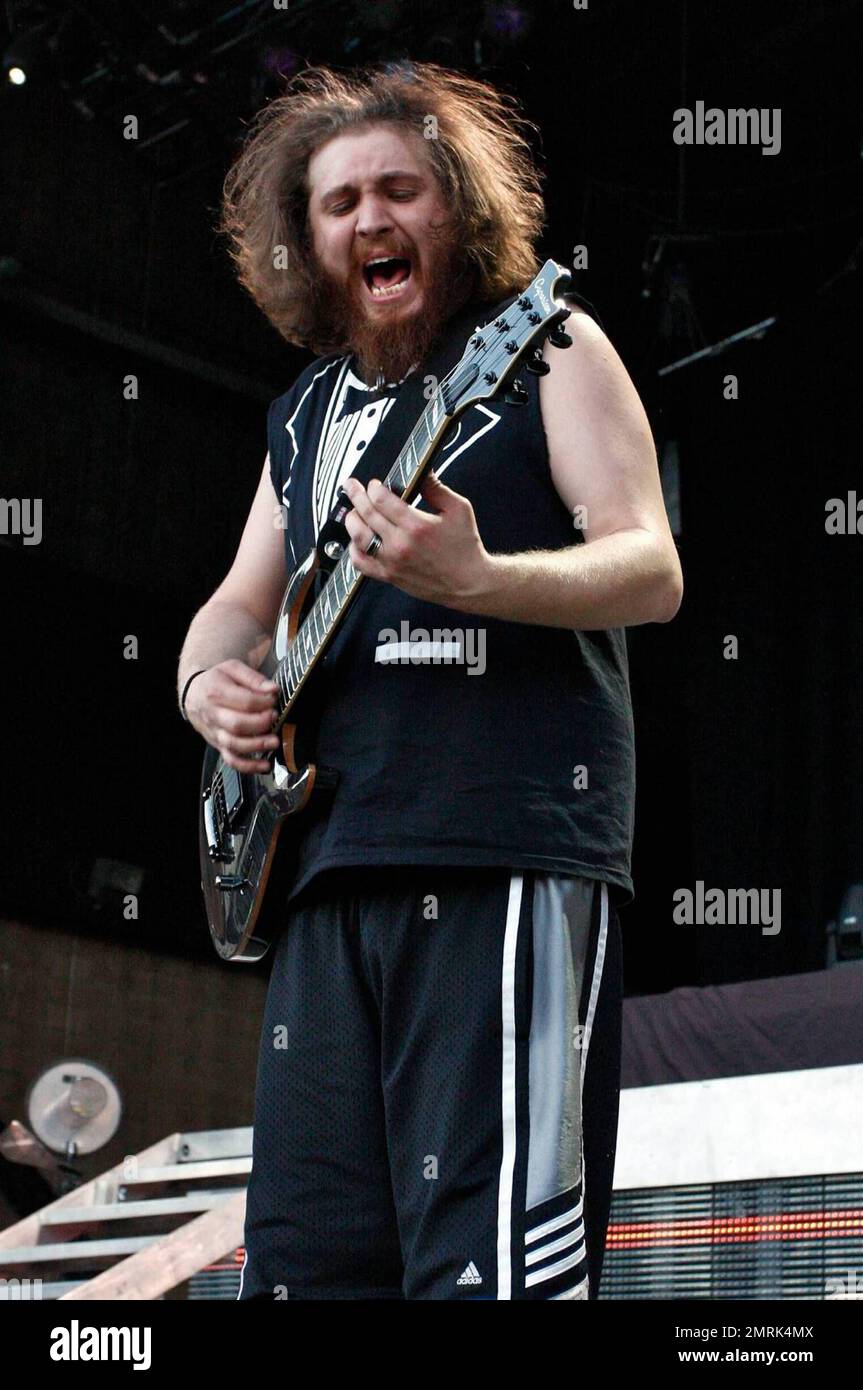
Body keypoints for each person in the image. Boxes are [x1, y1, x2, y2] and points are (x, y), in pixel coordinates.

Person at [177, 61, 682, 1301]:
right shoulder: (302, 415)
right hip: (323, 871)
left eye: (398, 190)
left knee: (489, 1264)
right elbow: (240, 605)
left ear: (453, 207)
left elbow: (648, 562)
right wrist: (204, 685)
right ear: (307, 240)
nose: (370, 220)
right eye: (339, 202)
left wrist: (479, 576)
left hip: (499, 848)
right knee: (305, 1263)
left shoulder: (545, 343)